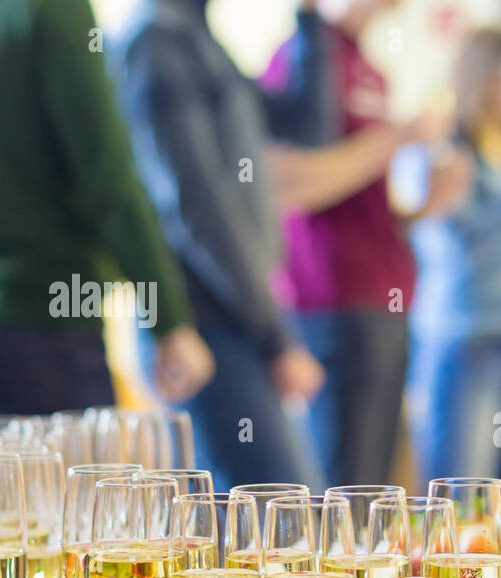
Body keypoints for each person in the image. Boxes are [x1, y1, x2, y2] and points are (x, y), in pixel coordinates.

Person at [110, 0, 424, 489]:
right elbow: (196, 210)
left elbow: (308, 132)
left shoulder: (202, 41)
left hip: (236, 321)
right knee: (280, 522)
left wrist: (308, 16)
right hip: (204, 325)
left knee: (267, 527)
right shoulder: (158, 40)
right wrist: (277, 336)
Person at [0, 0, 213, 425]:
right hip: (41, 329)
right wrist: (169, 320)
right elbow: (108, 177)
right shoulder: (52, 8)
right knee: (81, 493)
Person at [261, 0, 466, 488]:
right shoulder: (300, 58)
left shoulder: (373, 69)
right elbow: (288, 186)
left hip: (388, 297)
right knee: (340, 495)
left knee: (377, 492)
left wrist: (425, 205)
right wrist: (396, 138)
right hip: (332, 301)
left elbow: (367, 203)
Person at [400, 25, 501, 494]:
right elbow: (457, 238)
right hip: (464, 336)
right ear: (481, 77)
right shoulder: (442, 149)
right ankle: (458, 577)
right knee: (457, 497)